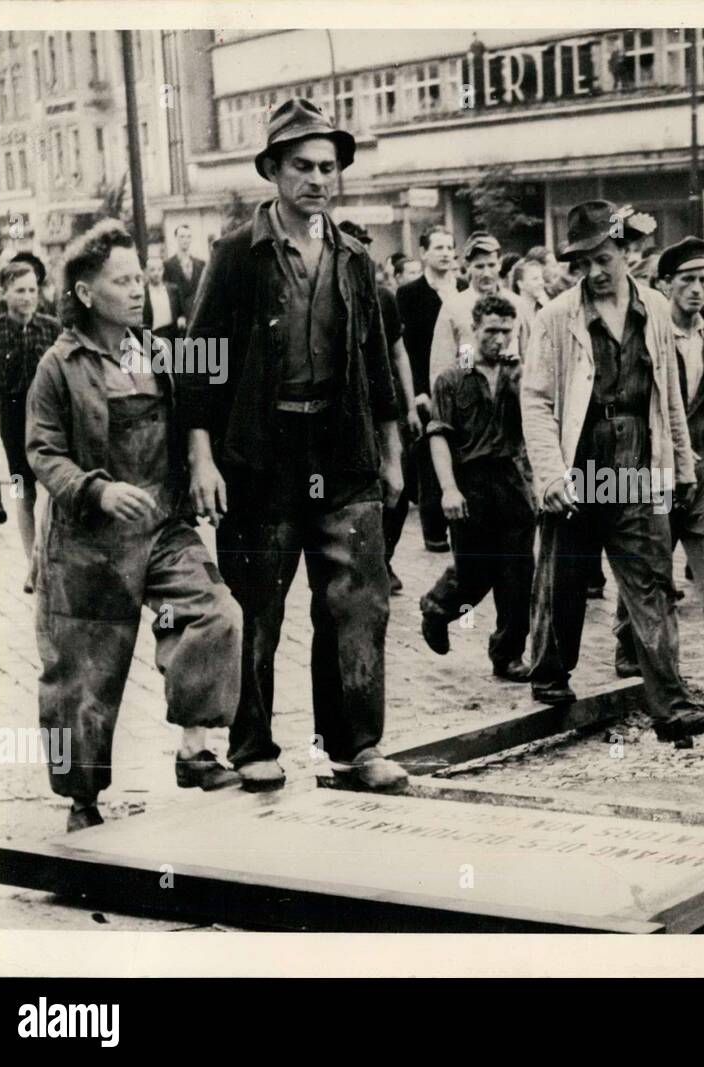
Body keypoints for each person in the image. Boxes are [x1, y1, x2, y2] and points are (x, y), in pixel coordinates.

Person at [181, 97, 407, 795]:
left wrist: (392, 451)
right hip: (260, 452)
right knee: (258, 602)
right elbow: (199, 361)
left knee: (358, 600)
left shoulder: (355, 260)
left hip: (341, 450)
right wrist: (200, 456)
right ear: (273, 171)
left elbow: (376, 365)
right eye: (303, 166)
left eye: (328, 167)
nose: (317, 178)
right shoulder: (236, 257)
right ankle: (253, 744)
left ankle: (355, 747)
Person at [27, 219, 243, 832]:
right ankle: (81, 801)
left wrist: (201, 466)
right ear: (87, 293)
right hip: (89, 543)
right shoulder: (58, 365)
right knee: (82, 677)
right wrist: (95, 489)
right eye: (121, 280)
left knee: (215, 614)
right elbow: (41, 451)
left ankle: (196, 750)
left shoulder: (157, 351)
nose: (137, 290)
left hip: (163, 525)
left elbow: (194, 412)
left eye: (141, 277)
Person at [520, 200, 704, 743]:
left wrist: (680, 463)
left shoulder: (653, 309)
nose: (596, 272)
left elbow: (669, 394)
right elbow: (536, 401)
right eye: (584, 262)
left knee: (651, 580)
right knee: (563, 574)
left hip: (637, 462)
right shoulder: (556, 317)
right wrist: (551, 475)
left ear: (626, 252)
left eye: (604, 258)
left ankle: (670, 706)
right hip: (580, 458)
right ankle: (551, 674)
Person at [612, 238, 704, 687]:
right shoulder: (641, 338)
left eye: (703, 280)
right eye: (687, 281)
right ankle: (630, 641)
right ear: (663, 285)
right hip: (654, 464)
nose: (698, 289)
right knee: (648, 557)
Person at [419, 294, 535, 681]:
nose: (499, 340)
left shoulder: (520, 373)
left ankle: (508, 653)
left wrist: (520, 382)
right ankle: (438, 607)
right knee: (474, 573)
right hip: (471, 483)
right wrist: (449, 489)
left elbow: (535, 425)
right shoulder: (452, 378)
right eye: (491, 332)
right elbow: (438, 436)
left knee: (518, 575)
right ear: (474, 329)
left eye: (506, 331)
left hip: (511, 481)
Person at [339, 220, 417, 596]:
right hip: (348, 411)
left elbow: (398, 354)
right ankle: (367, 561)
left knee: (399, 484)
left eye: (367, 246)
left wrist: (410, 403)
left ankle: (384, 556)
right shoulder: (331, 294)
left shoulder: (384, 297)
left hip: (386, 406)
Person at [0, 259, 62, 585]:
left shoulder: (51, 328)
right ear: (5, 293)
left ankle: (48, 557)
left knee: (52, 487)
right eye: (20, 290)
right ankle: (32, 563)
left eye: (32, 289)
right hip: (13, 417)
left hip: (49, 417)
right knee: (22, 489)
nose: (27, 297)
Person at [396, 225, 461, 552]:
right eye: (438, 247)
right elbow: (407, 349)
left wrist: (466, 377)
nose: (446, 253)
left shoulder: (462, 290)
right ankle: (434, 532)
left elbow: (468, 341)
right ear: (424, 253)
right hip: (427, 389)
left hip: (459, 385)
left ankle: (463, 524)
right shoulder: (410, 295)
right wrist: (419, 390)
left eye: (450, 247)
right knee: (429, 459)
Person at [429, 231, 533, 384]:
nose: (486, 273)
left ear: (499, 264)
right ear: (468, 267)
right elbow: (441, 366)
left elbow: (532, 358)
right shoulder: (454, 306)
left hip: (510, 395)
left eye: (491, 265)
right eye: (479, 266)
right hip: (468, 395)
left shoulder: (518, 304)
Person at [163, 224, 207, 316]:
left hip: (198, 315)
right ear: (175, 238)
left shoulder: (201, 264)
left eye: (188, 237)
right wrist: (179, 316)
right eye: (182, 236)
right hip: (178, 319)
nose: (185, 240)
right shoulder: (167, 265)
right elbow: (167, 294)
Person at [142, 254, 186, 345]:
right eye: (152, 270)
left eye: (159, 269)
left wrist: (182, 319)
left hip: (174, 335)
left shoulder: (173, 289)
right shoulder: (142, 293)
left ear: (163, 270)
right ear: (146, 272)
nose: (156, 273)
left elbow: (181, 313)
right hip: (154, 337)